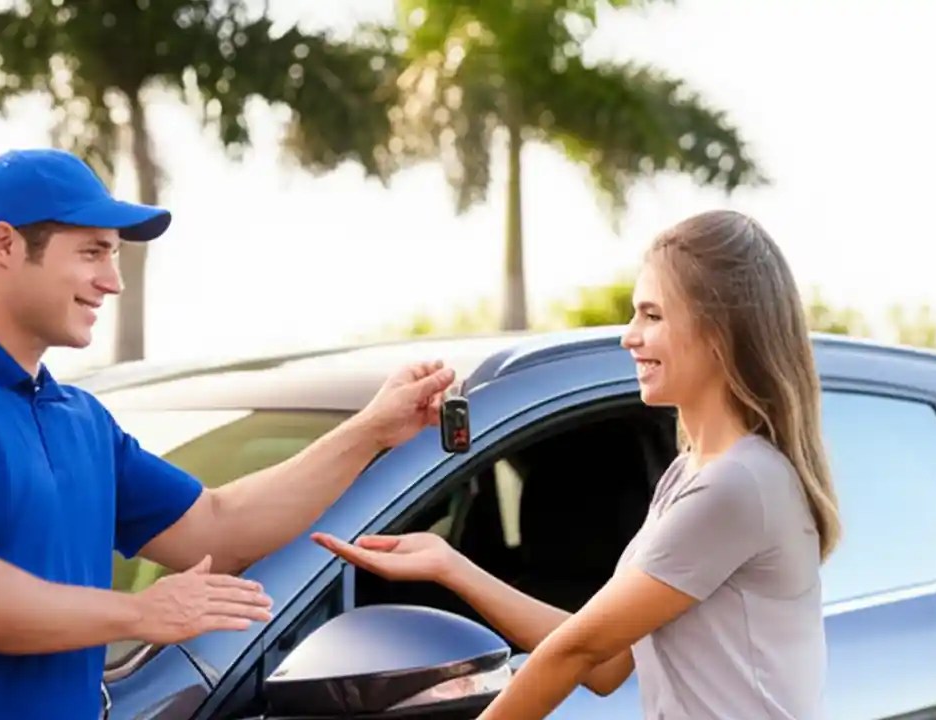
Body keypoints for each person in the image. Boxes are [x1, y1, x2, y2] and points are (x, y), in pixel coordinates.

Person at [0, 148, 456, 719]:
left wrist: (372, 430)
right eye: (92, 252)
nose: (113, 281)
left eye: (114, 256)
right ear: (5, 245)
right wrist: (140, 613)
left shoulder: (80, 418)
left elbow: (220, 527)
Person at [314, 209, 842, 720]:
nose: (628, 335)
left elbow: (579, 653)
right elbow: (607, 663)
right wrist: (449, 564)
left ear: (720, 332)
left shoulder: (739, 485)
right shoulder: (690, 475)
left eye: (652, 315)